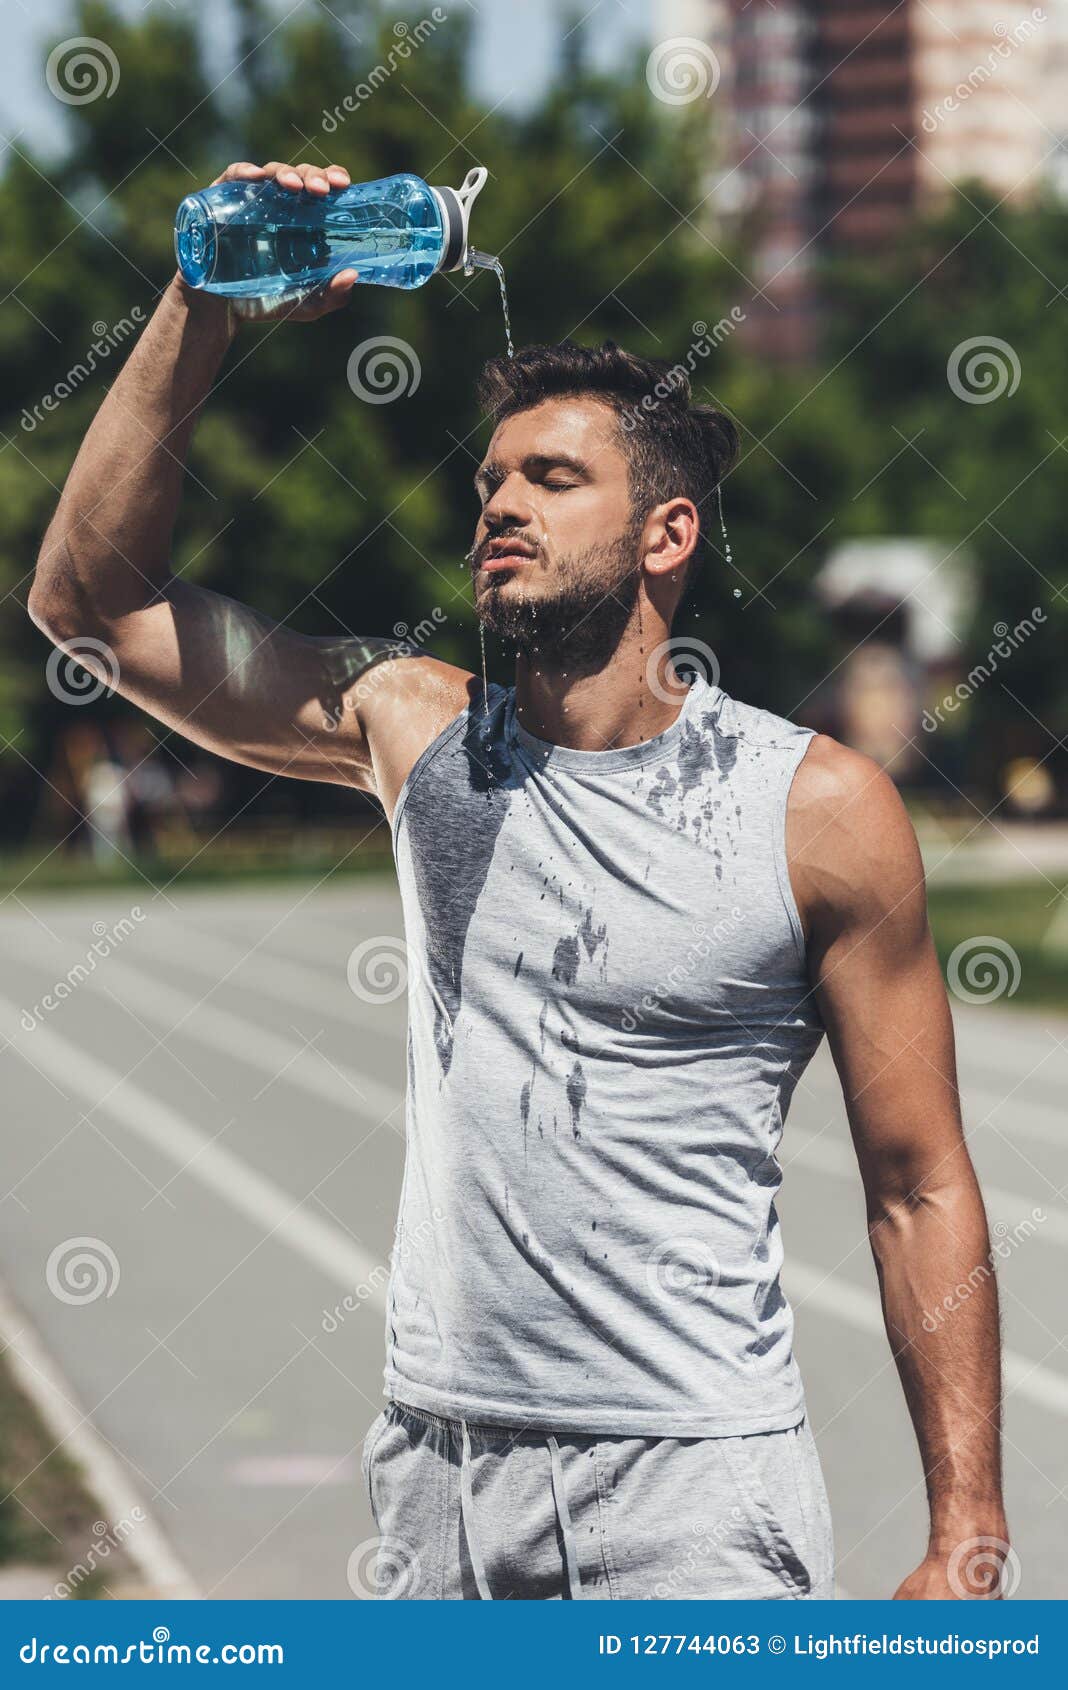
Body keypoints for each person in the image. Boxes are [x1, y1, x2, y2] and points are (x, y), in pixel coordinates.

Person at [28, 158, 1008, 1603]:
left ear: (667, 535)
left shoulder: (816, 808)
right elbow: (91, 607)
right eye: (491, 481)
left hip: (690, 1491)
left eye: (553, 479)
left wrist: (966, 1527)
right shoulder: (418, 732)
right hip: (439, 1480)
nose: (501, 505)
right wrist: (203, 302)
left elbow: (919, 1183)